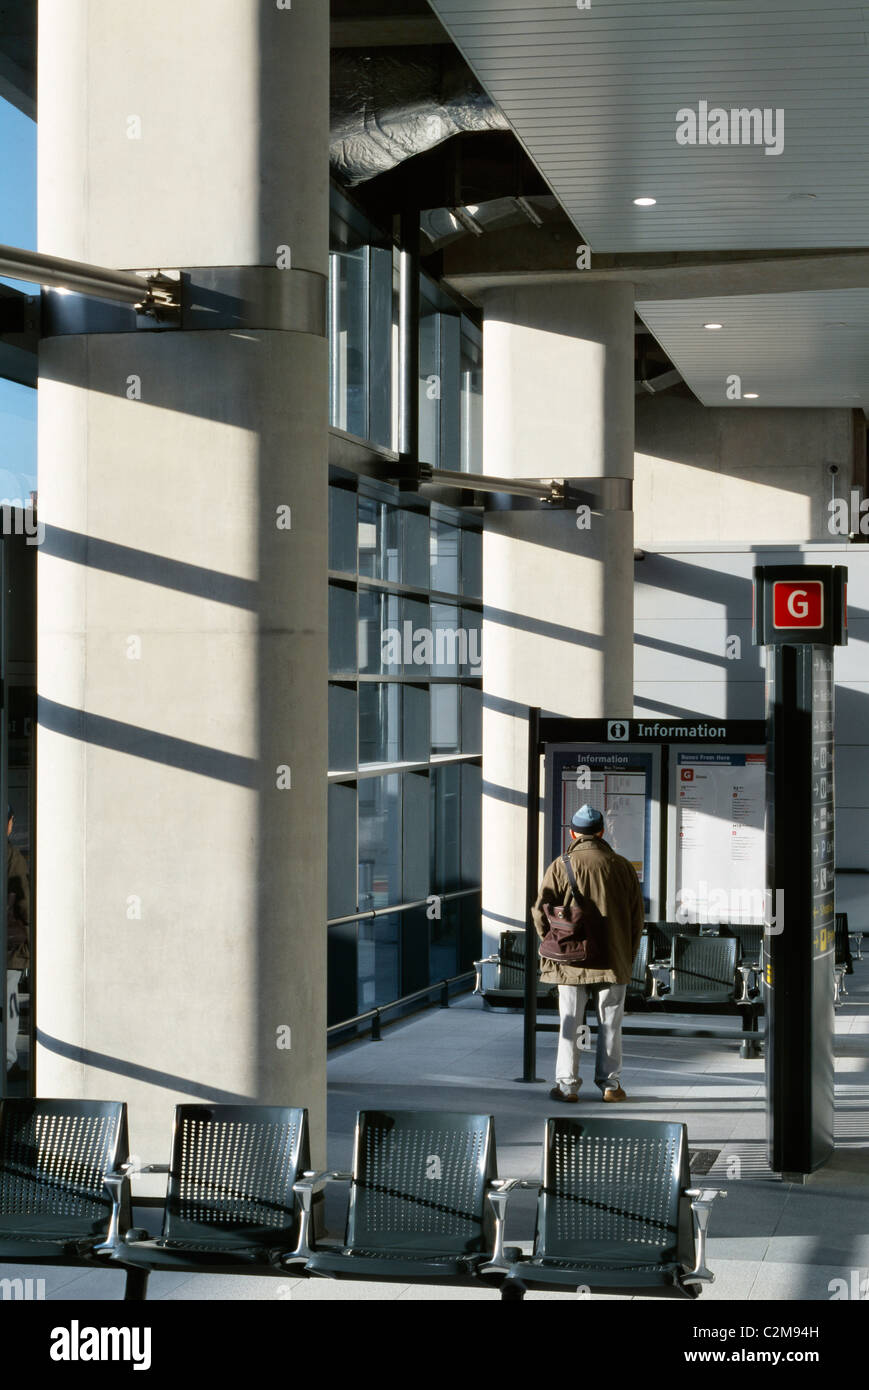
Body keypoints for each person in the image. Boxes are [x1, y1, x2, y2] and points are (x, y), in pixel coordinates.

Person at [531, 803, 644, 1103]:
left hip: (570, 960)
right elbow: (636, 919)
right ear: (602, 832)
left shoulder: (560, 865)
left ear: (572, 833)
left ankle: (567, 1086)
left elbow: (540, 911)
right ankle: (610, 1086)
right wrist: (627, 954)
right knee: (610, 1023)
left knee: (570, 1021)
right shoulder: (622, 866)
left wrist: (554, 940)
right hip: (612, 958)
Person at [6, 805, 30, 1081]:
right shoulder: (12, 857)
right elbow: (25, 904)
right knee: (9, 1004)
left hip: (9, 947)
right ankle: (8, 1062)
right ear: (10, 822)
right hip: (9, 950)